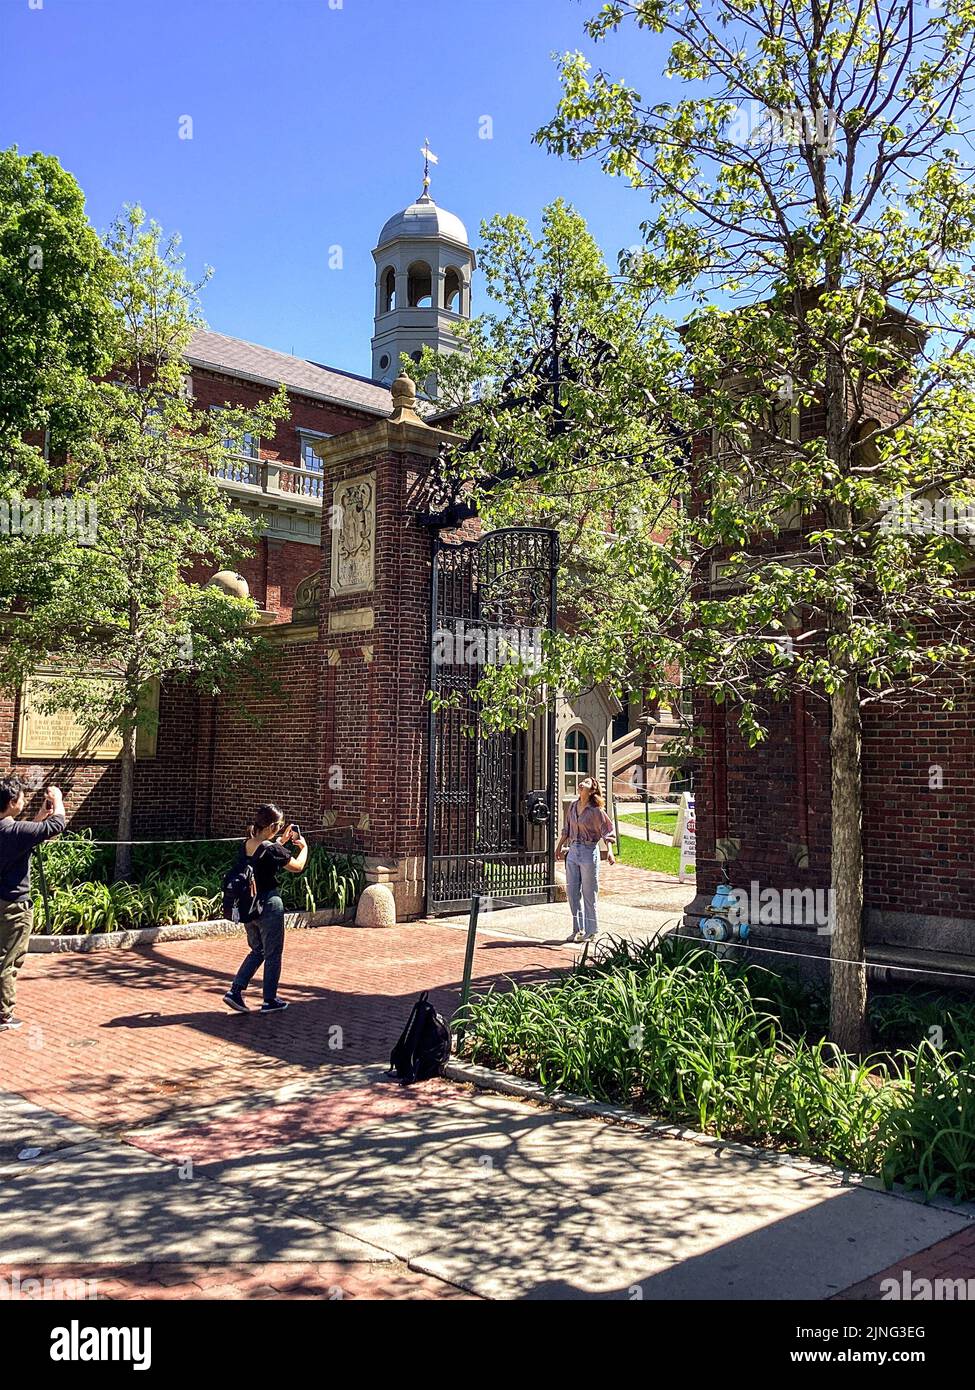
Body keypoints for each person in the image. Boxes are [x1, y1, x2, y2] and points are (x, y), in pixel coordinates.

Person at [223, 804, 307, 1014]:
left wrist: (282, 842)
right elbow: (297, 867)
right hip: (269, 904)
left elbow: (263, 852)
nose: (279, 829)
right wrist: (304, 848)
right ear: (272, 826)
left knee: (257, 950)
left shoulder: (246, 844)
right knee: (272, 953)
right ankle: (269, 999)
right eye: (278, 826)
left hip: (247, 905)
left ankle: (236, 990)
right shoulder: (273, 849)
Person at [0, 777, 66, 1032]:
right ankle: (4, 1014)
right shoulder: (14, 832)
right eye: (21, 798)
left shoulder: (12, 831)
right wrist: (57, 799)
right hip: (14, 906)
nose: (24, 800)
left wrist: (40, 815)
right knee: (9, 960)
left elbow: (25, 837)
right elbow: (57, 825)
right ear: (12, 802)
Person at [554, 775, 616, 944]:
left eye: (586, 783)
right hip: (573, 851)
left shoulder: (596, 811)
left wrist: (609, 852)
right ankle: (577, 929)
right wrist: (559, 846)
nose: (581, 784)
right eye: (582, 782)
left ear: (592, 790)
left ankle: (591, 930)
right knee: (572, 892)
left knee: (589, 893)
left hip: (589, 851)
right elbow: (566, 829)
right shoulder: (573, 807)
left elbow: (607, 831)